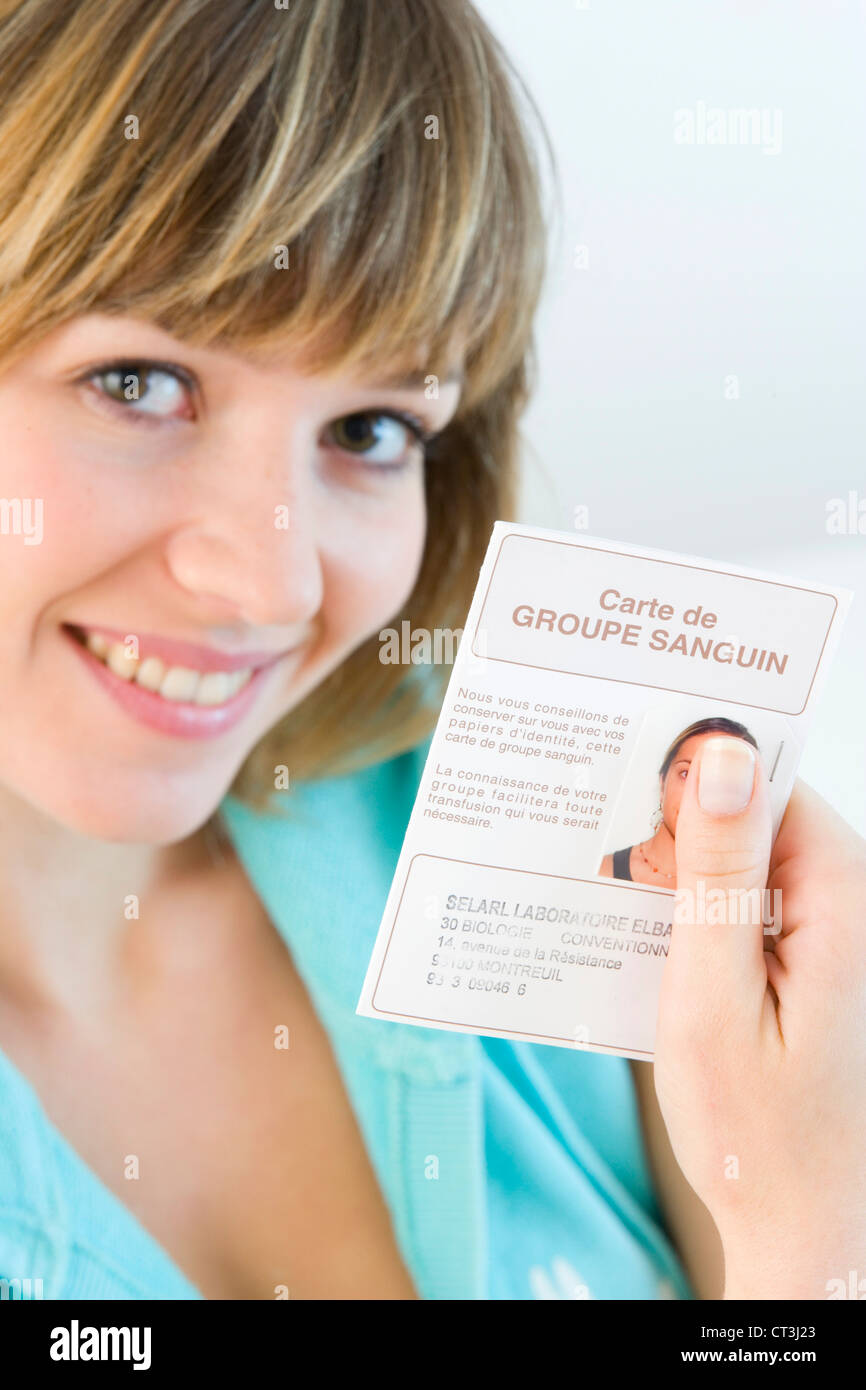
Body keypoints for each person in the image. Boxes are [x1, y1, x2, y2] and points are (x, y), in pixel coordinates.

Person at [0, 0, 864, 1303]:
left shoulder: (530, 838)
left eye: (366, 429)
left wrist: (808, 1213)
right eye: (136, 381)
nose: (273, 579)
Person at [599, 718, 759, 888]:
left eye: (722, 781)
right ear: (663, 784)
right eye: (686, 774)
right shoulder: (603, 872)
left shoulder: (750, 893)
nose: (697, 795)